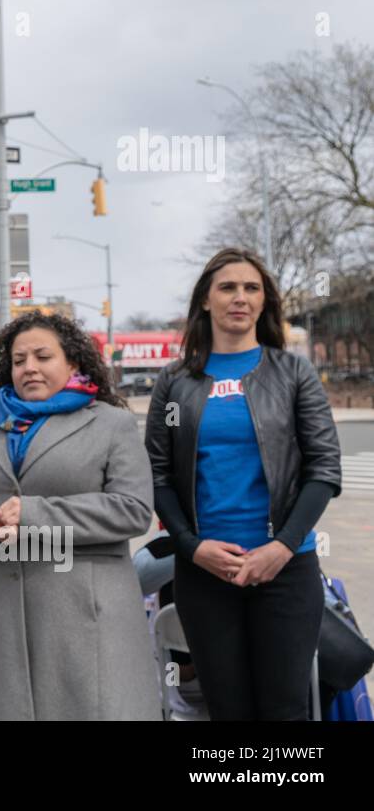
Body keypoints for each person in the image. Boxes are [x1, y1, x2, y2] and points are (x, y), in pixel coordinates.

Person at [145, 247, 342, 720]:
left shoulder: (293, 372)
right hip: (204, 573)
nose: (240, 297)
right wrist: (192, 548)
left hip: (285, 571)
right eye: (227, 287)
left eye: (251, 288)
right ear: (206, 301)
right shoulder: (175, 382)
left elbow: (324, 469)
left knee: (285, 710)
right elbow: (157, 475)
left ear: (264, 302)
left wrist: (283, 547)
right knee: (225, 709)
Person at [0, 311, 159, 720]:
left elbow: (133, 509)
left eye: (43, 356)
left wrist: (35, 515)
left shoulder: (111, 424)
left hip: (86, 618)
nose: (29, 367)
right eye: (19, 360)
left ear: (72, 363)